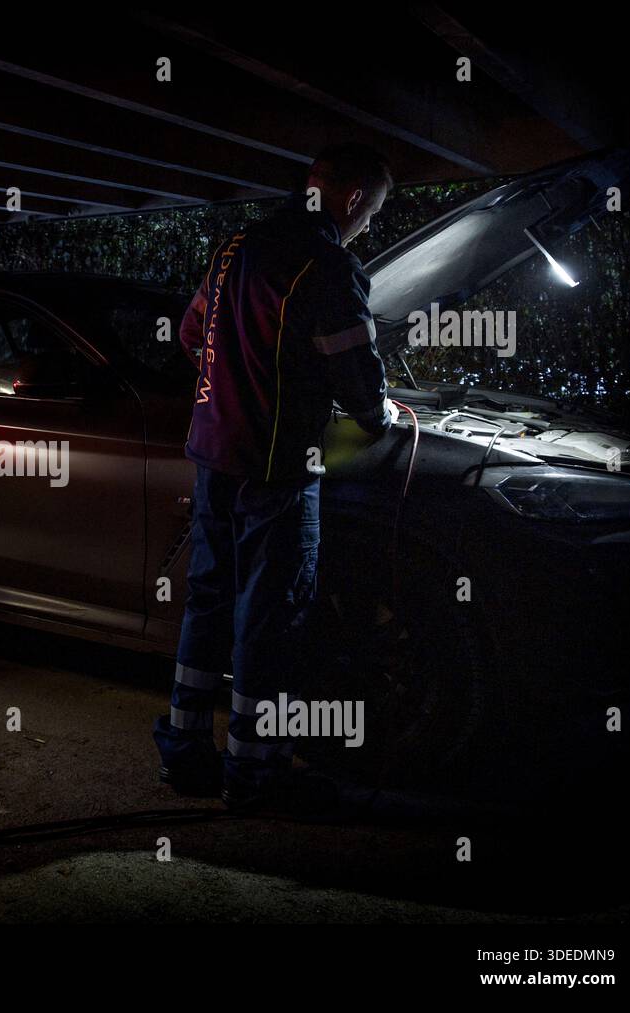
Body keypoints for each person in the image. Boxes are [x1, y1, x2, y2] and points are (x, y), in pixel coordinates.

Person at [153, 143, 397, 812]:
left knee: (208, 599)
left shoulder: (237, 246)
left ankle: (185, 749)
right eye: (372, 212)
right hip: (278, 469)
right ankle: (255, 774)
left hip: (212, 456)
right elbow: (360, 391)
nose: (370, 225)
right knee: (270, 615)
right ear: (351, 202)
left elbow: (190, 333)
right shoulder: (328, 266)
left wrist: (234, 377)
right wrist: (386, 413)